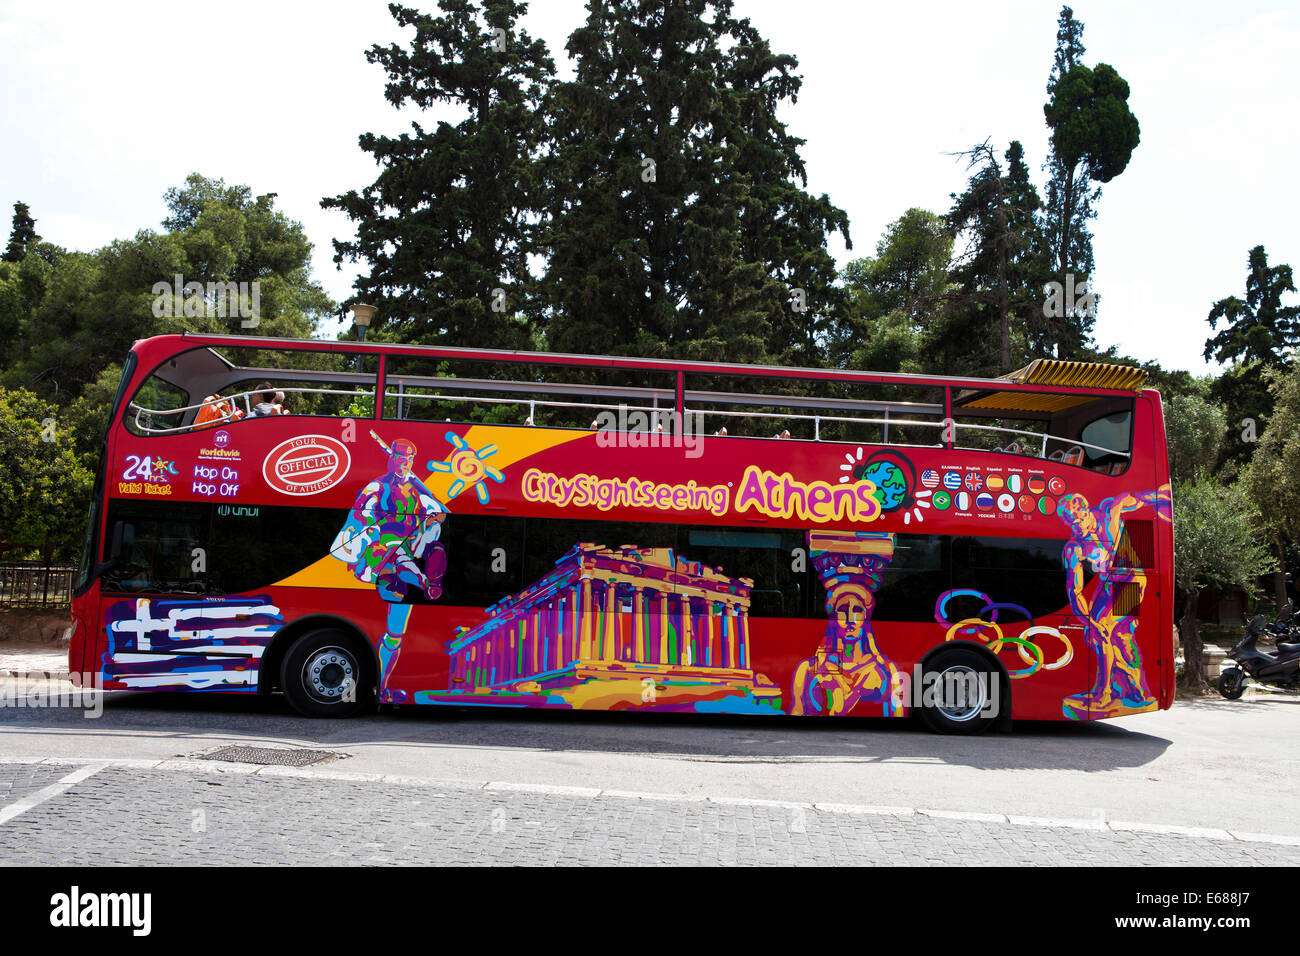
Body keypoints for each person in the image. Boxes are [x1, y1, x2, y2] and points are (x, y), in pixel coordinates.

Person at [330, 435, 448, 703]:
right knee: (401, 560)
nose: (402, 461)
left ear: (411, 461)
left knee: (395, 633)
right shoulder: (377, 487)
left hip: (409, 547)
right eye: (398, 456)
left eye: (407, 458)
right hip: (382, 551)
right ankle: (424, 582)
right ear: (391, 457)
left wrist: (433, 514)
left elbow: (440, 513)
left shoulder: (418, 489)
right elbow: (361, 516)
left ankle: (381, 688)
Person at [1057, 484, 1172, 719]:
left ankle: (1104, 693)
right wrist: (1088, 620)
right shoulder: (1074, 548)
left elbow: (1139, 497)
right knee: (1102, 633)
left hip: (1132, 578)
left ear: (1085, 510)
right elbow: (1074, 590)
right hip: (1109, 584)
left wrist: (1162, 499)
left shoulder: (1110, 510)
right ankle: (1136, 690)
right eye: (1071, 524)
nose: (1077, 528)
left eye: (1079, 521)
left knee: (1106, 629)